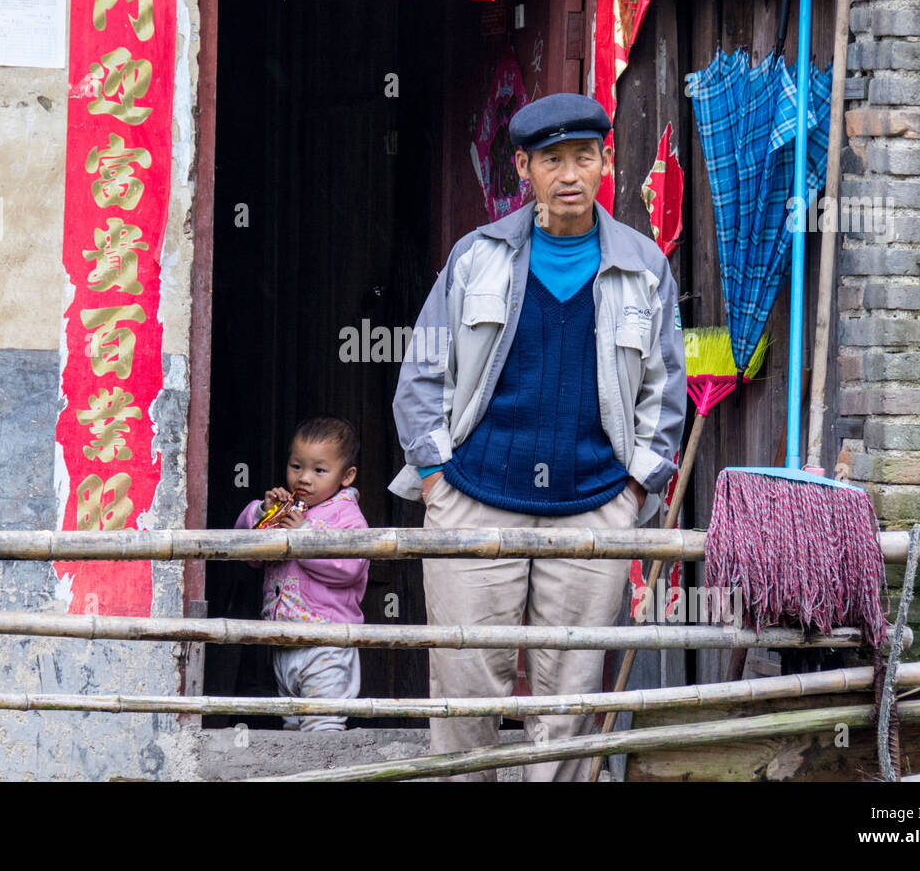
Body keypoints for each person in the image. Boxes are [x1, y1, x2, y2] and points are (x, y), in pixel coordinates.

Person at [389, 93, 686, 780]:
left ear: (607, 160)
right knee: (466, 692)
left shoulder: (644, 267)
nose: (571, 173)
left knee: (570, 701)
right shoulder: (478, 258)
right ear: (524, 167)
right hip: (474, 498)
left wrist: (634, 487)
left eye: (585, 156)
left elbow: (665, 395)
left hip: (591, 506)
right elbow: (421, 376)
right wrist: (437, 478)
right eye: (552, 160)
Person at [234, 416, 369, 731]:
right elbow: (249, 553)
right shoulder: (288, 511)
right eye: (296, 466)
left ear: (346, 476)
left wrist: (303, 538)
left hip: (327, 645)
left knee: (322, 727)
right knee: (293, 727)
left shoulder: (347, 517)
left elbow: (348, 568)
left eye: (319, 470)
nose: (304, 478)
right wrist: (262, 514)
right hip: (283, 646)